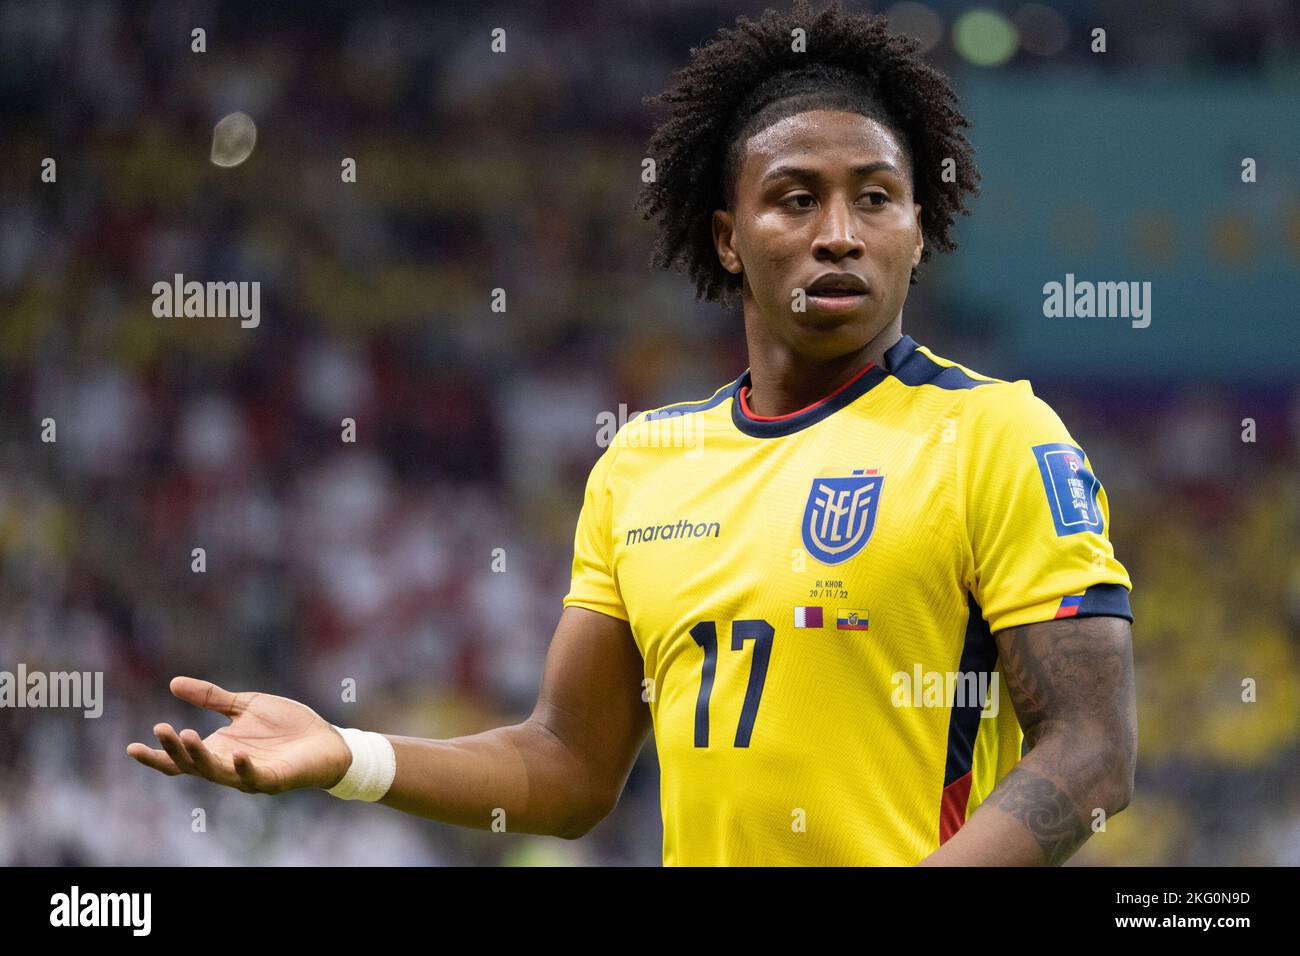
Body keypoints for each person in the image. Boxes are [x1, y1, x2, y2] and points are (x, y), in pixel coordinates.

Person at [130, 1, 1136, 866]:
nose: (839, 230)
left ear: (919, 228)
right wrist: (349, 754)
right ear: (726, 236)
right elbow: (568, 763)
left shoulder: (994, 433)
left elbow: (1092, 749)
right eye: (796, 197)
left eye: (875, 197)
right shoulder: (644, 463)